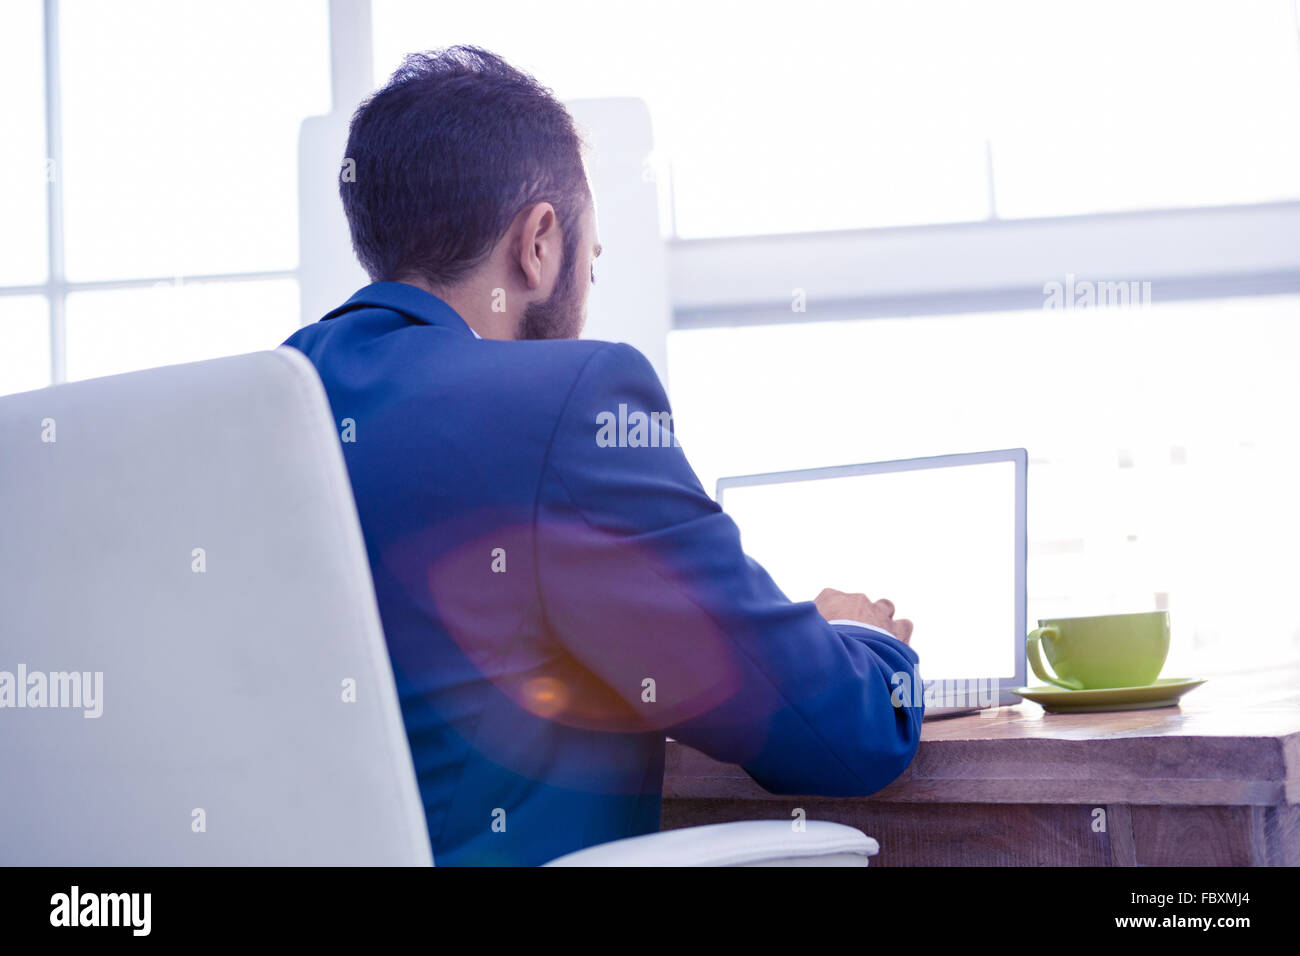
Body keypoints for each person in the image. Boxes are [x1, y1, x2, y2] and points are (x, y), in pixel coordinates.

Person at [283, 46, 922, 866]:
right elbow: (835, 733)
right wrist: (864, 645)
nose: (588, 281)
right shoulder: (565, 401)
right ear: (540, 243)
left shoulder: (269, 403)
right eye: (593, 258)